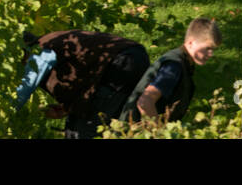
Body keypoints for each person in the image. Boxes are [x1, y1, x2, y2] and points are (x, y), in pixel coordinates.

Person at [16, 29, 150, 138]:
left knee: (83, 130)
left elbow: (25, 89)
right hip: (131, 59)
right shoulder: (54, 40)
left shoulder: (40, 50)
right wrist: (67, 108)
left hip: (119, 64)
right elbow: (82, 79)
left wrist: (2, 113)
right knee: (114, 127)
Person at [120, 18, 221, 125]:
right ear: (191, 43)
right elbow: (145, 102)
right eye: (207, 48)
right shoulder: (173, 67)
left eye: (213, 50)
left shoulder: (184, 62)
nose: (211, 54)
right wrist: (160, 133)